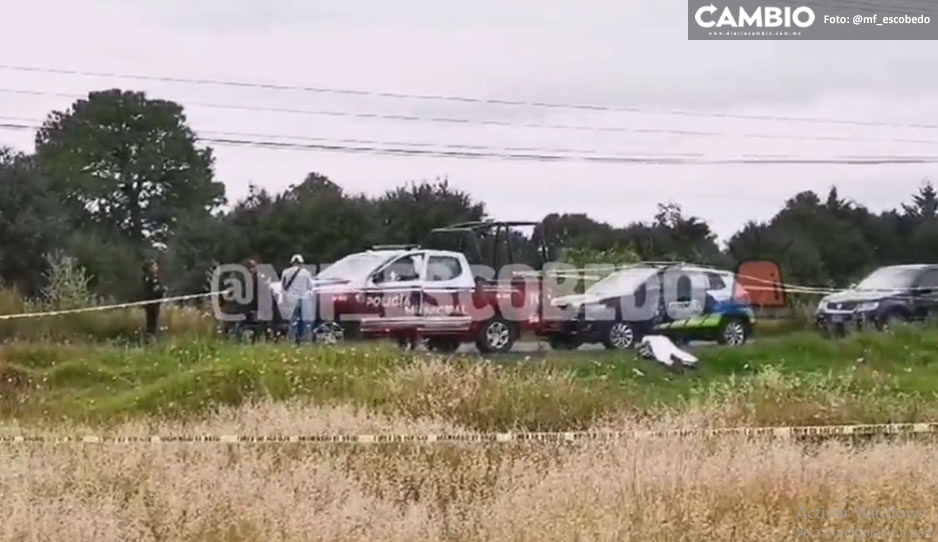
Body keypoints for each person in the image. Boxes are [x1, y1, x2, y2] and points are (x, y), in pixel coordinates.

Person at [280, 254, 315, 344]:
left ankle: (292, 340)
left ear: (292, 263)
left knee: (293, 321)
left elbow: (283, 288)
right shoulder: (306, 273)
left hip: (291, 300)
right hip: (304, 299)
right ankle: (305, 340)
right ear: (301, 263)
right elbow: (310, 287)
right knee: (305, 322)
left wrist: (285, 299)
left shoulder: (285, 272)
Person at [141, 259, 167, 343]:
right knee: (151, 323)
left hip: (156, 303)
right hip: (151, 303)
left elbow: (159, 287)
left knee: (155, 322)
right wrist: (160, 290)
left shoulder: (156, 277)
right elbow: (151, 291)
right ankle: (150, 340)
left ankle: (153, 338)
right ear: (150, 268)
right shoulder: (147, 278)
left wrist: (163, 290)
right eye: (154, 266)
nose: (157, 268)